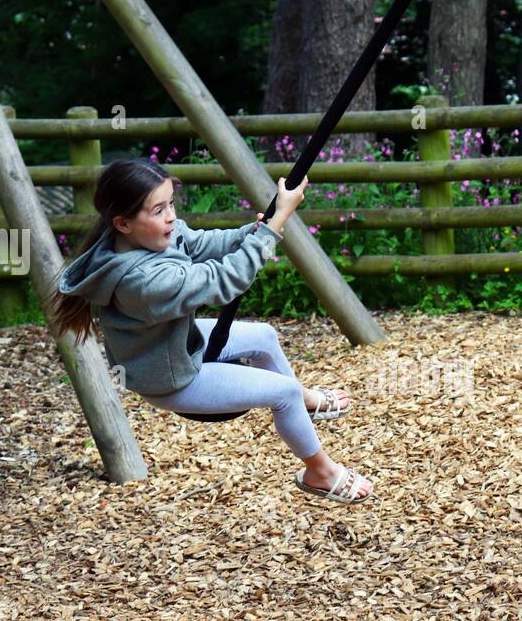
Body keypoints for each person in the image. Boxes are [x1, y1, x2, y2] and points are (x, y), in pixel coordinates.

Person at [47, 158, 373, 504]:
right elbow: (224, 279)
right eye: (158, 210)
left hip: (171, 343)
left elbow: (200, 243)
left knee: (264, 337)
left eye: (171, 203)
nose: (171, 216)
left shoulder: (148, 237)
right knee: (284, 392)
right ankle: (320, 471)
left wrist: (251, 233)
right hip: (171, 378)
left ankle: (306, 404)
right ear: (123, 223)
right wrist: (277, 223)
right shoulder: (142, 281)